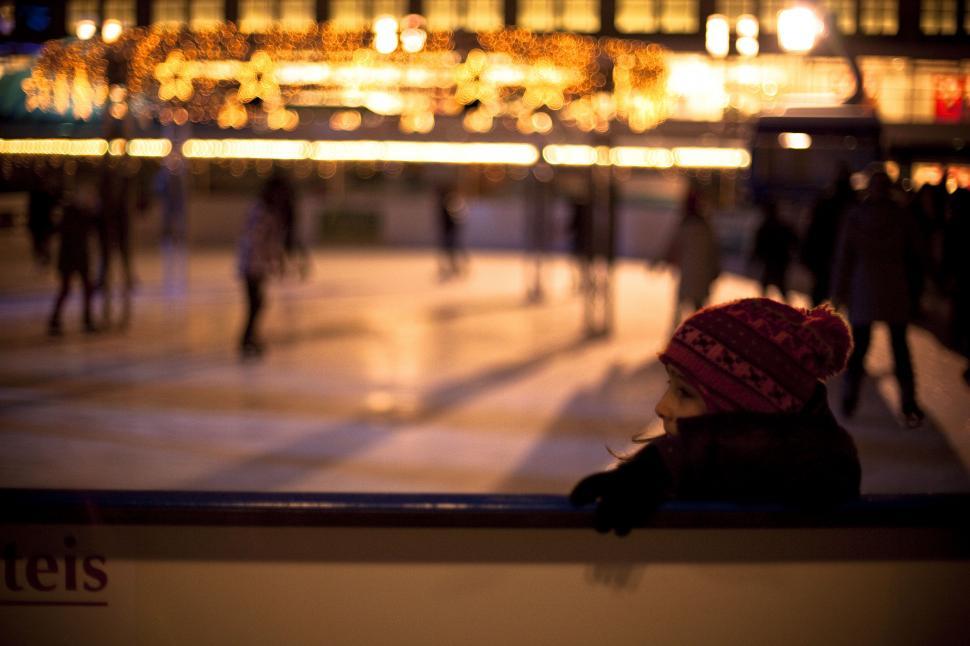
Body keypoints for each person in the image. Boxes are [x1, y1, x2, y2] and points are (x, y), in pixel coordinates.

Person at [569, 297, 861, 535]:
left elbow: (782, 453)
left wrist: (670, 461)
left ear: (748, 412)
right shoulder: (687, 464)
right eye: (672, 386)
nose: (661, 407)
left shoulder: (820, 464)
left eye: (685, 393)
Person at [832, 170, 926, 426]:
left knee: (860, 347)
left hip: (864, 287)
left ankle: (849, 398)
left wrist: (838, 293)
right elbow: (917, 256)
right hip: (896, 289)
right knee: (900, 348)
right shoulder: (902, 216)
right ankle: (908, 401)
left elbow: (844, 258)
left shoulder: (856, 216)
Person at [237, 175, 287, 357]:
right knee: (255, 304)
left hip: (255, 264)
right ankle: (247, 339)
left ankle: (250, 338)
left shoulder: (264, 210)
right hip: (252, 265)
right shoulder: (261, 211)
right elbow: (256, 240)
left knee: (257, 304)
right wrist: (267, 262)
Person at [664, 181, 721, 329]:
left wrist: (663, 261)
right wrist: (715, 269)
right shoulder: (706, 228)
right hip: (701, 274)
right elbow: (714, 251)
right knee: (698, 307)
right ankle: (700, 333)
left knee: (683, 305)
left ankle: (677, 337)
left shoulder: (686, 226)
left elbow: (673, 247)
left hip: (689, 273)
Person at [48, 179, 98, 336]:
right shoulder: (72, 211)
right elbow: (65, 233)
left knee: (84, 289)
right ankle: (56, 321)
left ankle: (86, 320)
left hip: (78, 257)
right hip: (70, 258)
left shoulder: (83, 211)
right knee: (66, 289)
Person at [802, 163, 855, 306]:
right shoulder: (853, 204)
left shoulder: (826, 202)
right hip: (837, 257)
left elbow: (813, 230)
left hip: (824, 255)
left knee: (820, 293)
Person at [750, 201, 797, 302]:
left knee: (773, 285)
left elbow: (758, 245)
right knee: (776, 285)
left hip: (774, 261)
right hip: (777, 261)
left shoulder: (767, 227)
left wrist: (755, 258)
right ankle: (767, 306)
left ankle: (764, 306)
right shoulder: (779, 226)